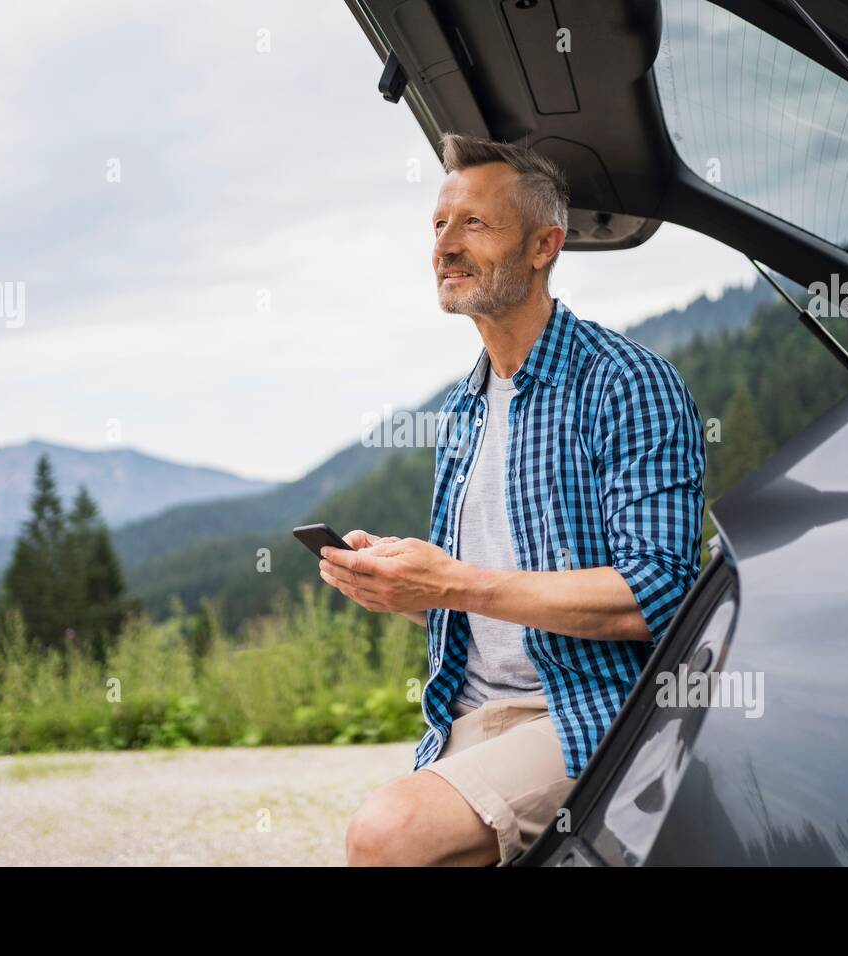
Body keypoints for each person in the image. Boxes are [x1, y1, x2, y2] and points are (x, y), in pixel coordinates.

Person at [319, 133, 706, 866]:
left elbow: (656, 593)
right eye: (439, 225)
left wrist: (456, 581)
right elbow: (484, 600)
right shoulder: (465, 409)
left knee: (387, 835)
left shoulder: (625, 383)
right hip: (463, 718)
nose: (446, 246)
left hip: (590, 713)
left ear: (543, 246)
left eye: (475, 224)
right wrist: (407, 588)